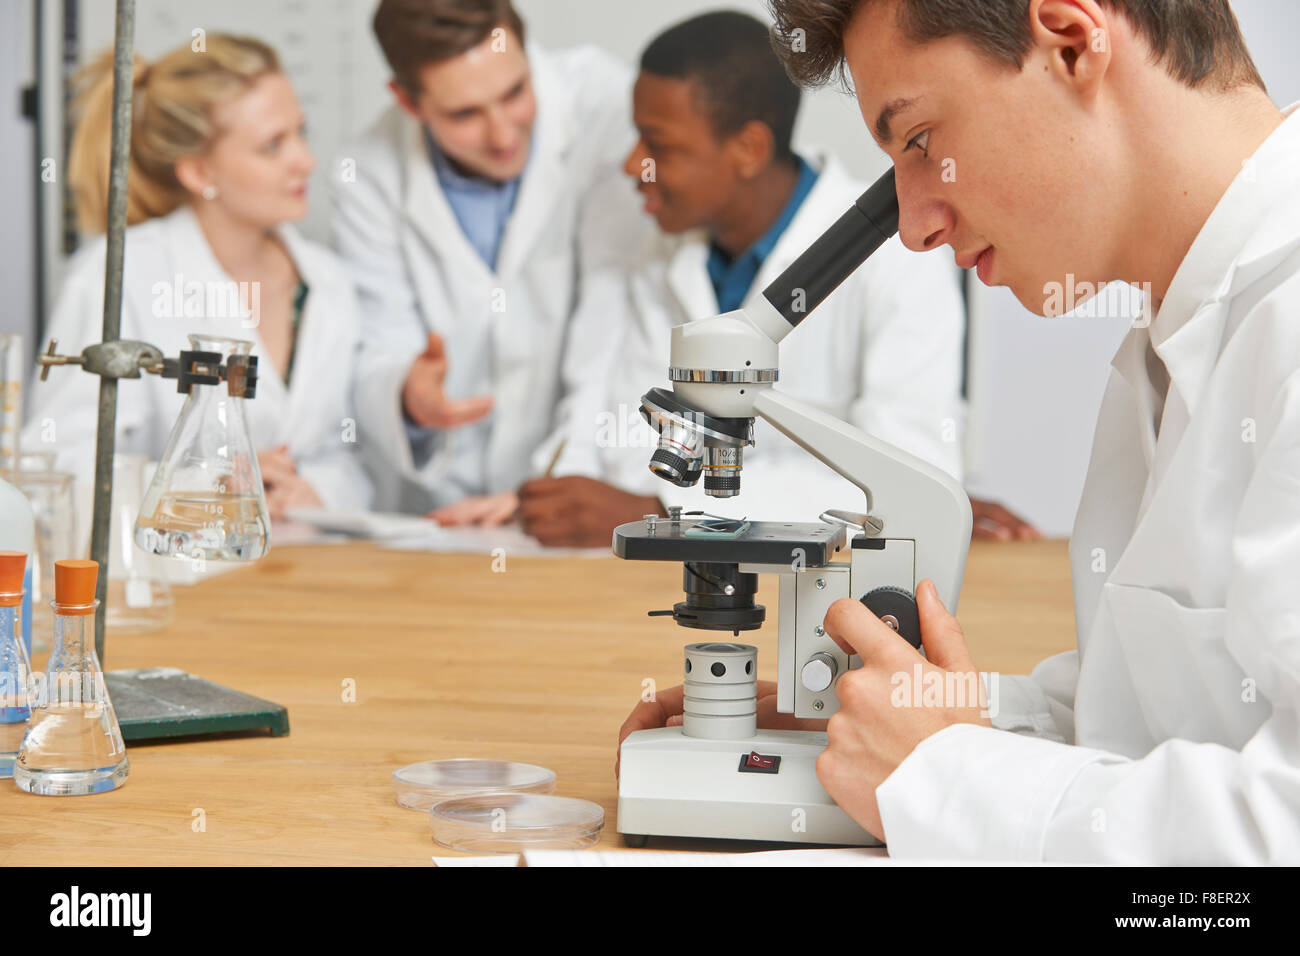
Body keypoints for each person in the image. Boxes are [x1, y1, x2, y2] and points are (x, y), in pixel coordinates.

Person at [621, 0, 1300, 863]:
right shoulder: (1183, 331)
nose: (911, 226)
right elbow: (1162, 726)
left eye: (919, 140)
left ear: (1068, 39)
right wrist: (917, 714)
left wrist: (942, 773)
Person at [450, 10, 1035, 547]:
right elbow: (609, 445)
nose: (634, 165)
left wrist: (664, 508)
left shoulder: (898, 260)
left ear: (748, 149)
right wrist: (575, 494)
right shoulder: (643, 246)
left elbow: (905, 478)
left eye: (660, 145)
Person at [25, 34, 371, 530]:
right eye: (273, 146)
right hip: (168, 581)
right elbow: (54, 466)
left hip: (301, 571)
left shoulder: (326, 281)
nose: (306, 160)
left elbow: (348, 455)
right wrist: (199, 484)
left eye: (302, 132)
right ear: (197, 171)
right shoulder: (118, 276)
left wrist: (311, 492)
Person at [333, 0, 650, 518]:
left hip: (574, 490)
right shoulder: (367, 171)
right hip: (437, 510)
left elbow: (610, 323)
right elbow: (381, 345)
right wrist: (408, 396)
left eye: (515, 93)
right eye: (464, 115)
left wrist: (560, 481)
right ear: (406, 101)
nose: (503, 136)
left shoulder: (601, 105)